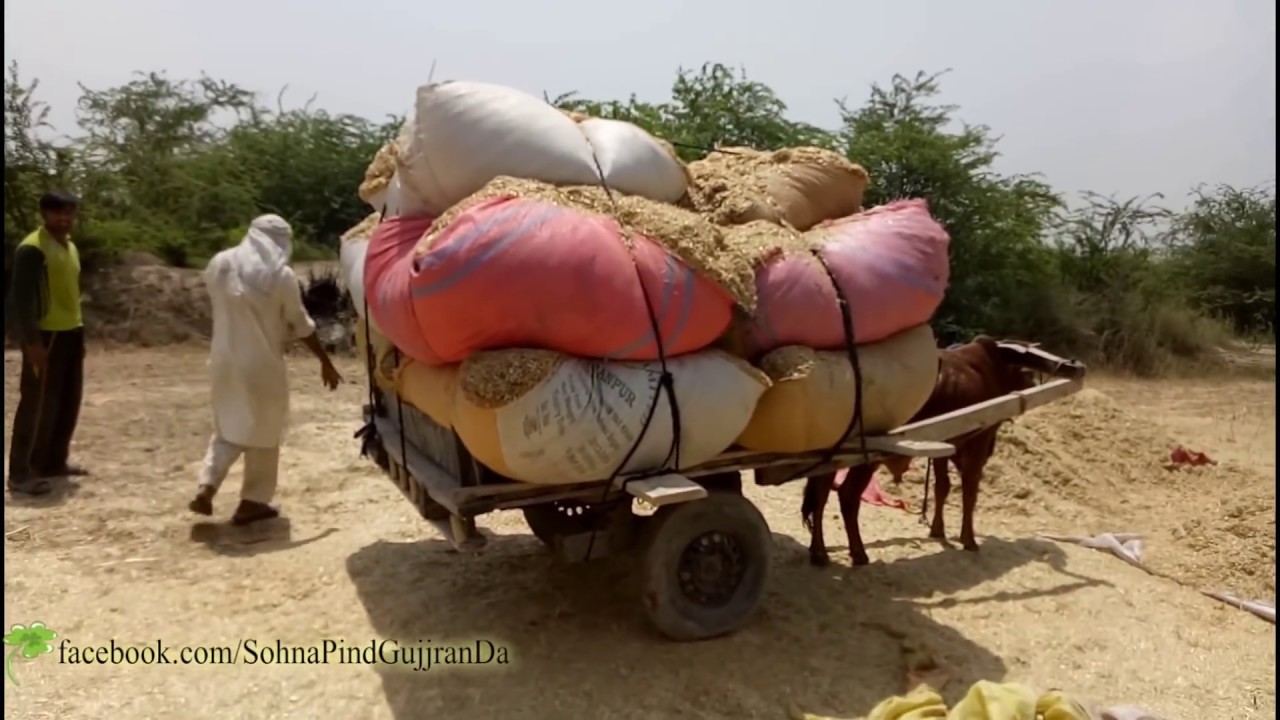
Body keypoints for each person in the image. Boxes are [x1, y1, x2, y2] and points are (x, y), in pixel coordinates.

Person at [187, 214, 343, 525]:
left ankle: (208, 484)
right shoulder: (280, 276)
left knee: (228, 425)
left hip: (222, 360)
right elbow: (301, 324)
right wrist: (325, 362)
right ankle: (253, 502)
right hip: (262, 365)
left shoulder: (220, 263)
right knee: (266, 430)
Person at [5, 190, 89, 497]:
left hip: (71, 332)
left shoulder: (71, 247)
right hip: (46, 335)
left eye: (69, 212)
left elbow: (71, 293)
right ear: (45, 214)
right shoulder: (32, 249)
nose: (64, 218)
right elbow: (21, 300)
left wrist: (80, 335)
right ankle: (20, 473)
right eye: (57, 213)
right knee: (36, 404)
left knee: (67, 401)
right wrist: (32, 343)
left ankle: (53, 462)